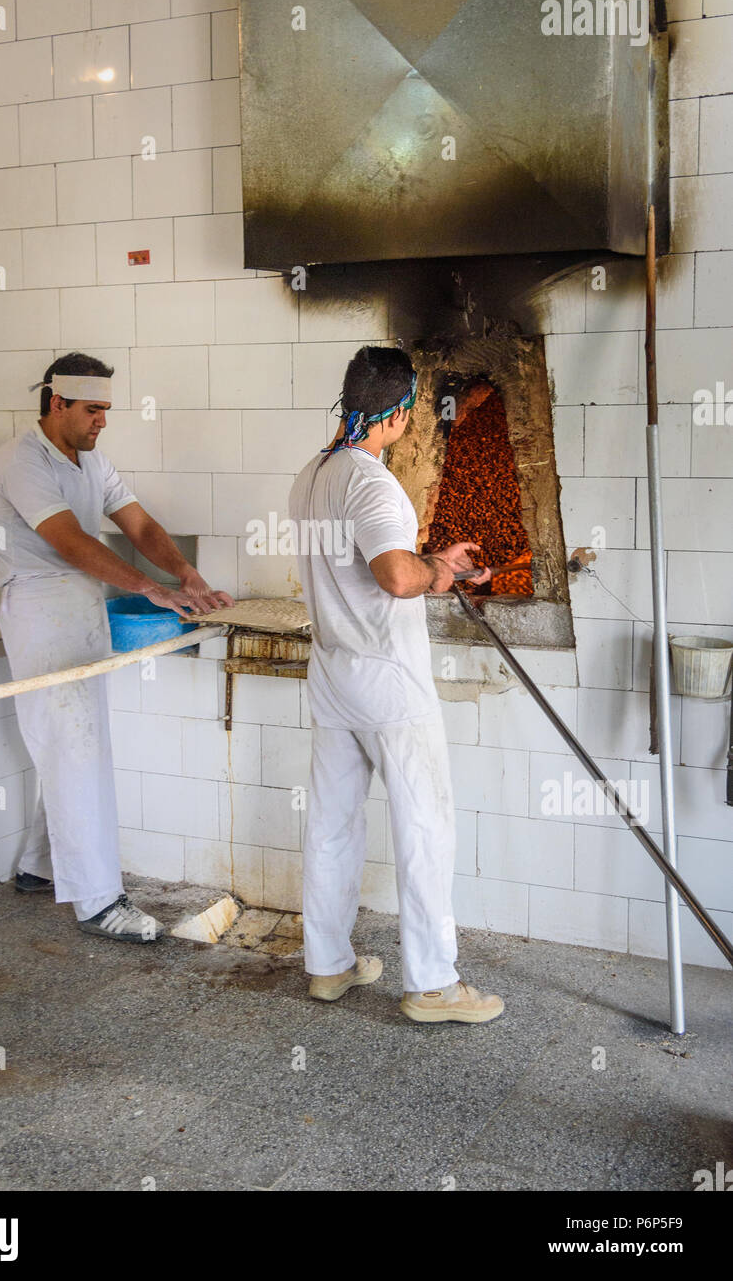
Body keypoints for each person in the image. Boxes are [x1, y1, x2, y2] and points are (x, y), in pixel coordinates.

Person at [0, 352, 233, 942]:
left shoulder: (91, 461)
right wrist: (149, 587)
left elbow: (140, 525)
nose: (103, 422)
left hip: (82, 611)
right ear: (57, 403)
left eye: (106, 410)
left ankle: (38, 866)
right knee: (76, 750)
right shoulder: (22, 460)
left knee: (72, 747)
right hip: (42, 618)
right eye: (93, 410)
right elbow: (70, 541)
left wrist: (187, 576)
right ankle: (99, 901)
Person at [288, 346, 504, 1023]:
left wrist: (431, 558)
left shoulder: (313, 474)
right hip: (387, 680)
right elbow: (391, 575)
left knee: (331, 822)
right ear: (401, 412)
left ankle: (327, 964)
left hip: (333, 673)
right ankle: (433, 985)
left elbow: (370, 564)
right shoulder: (372, 483)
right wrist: (440, 574)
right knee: (425, 825)